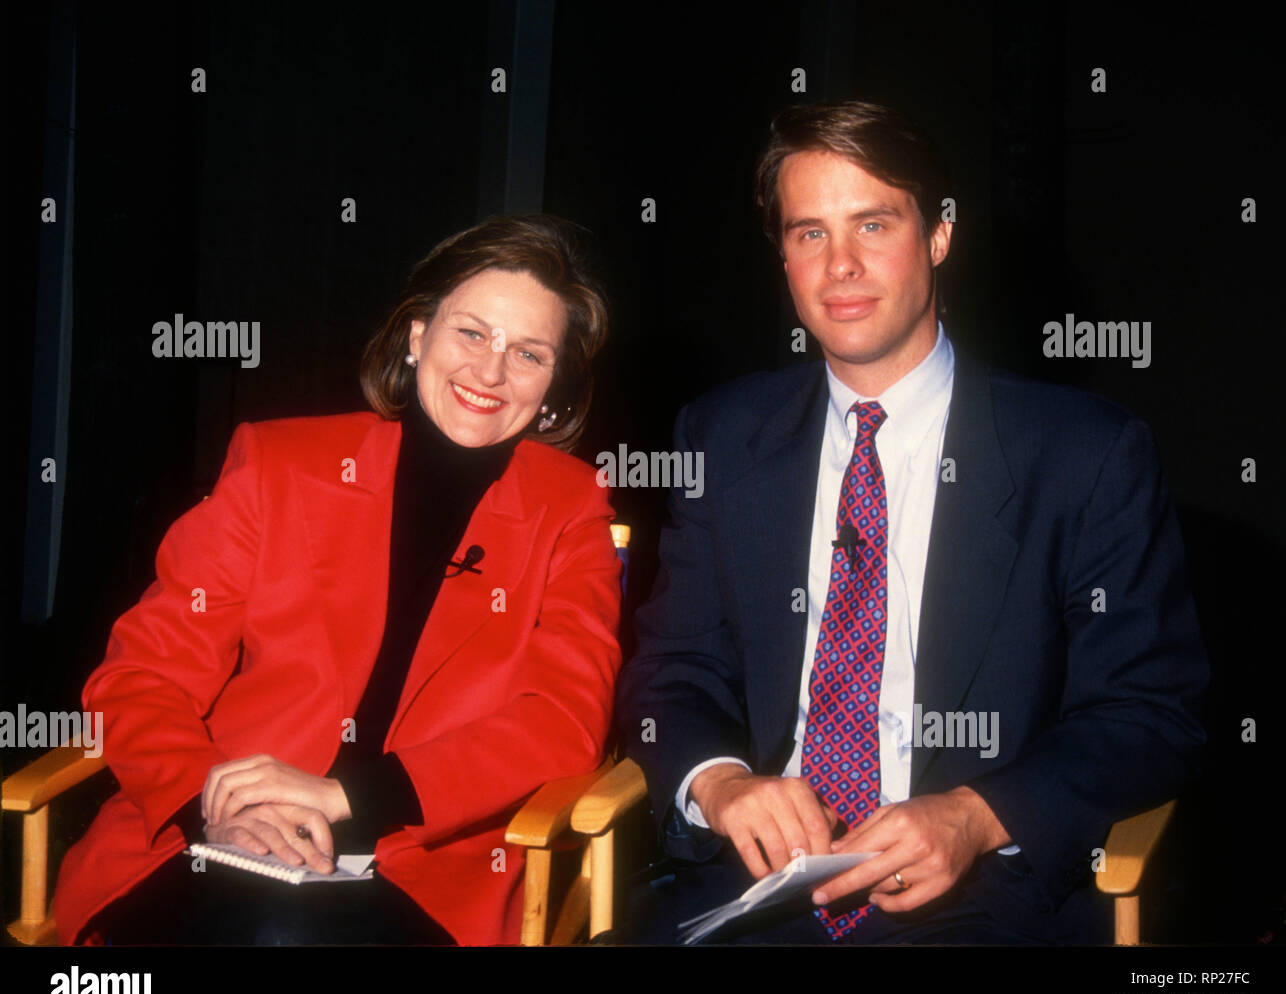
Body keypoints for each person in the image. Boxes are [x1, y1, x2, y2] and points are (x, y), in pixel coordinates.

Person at [614, 102, 1209, 944]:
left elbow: (1153, 711)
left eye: (872, 223)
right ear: (782, 255)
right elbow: (671, 674)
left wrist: (976, 815)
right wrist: (722, 784)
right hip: (753, 898)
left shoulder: (1085, 453)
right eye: (809, 233)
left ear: (939, 236)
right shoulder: (721, 437)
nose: (841, 266)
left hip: (979, 902)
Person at [52, 214, 623, 946]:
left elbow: (561, 721)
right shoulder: (276, 463)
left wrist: (348, 795)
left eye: (529, 353)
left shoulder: (570, 506)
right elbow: (140, 677)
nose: (490, 372)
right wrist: (210, 802)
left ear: (553, 385)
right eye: (471, 333)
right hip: (208, 841)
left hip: (424, 872)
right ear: (417, 336)